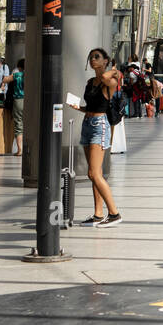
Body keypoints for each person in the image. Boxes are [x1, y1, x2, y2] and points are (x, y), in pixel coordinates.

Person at [71, 48, 122, 227]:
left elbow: (107, 78)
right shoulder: (90, 82)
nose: (92, 60)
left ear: (106, 61)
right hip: (87, 124)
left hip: (100, 126)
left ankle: (114, 213)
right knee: (96, 174)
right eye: (91, 57)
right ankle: (98, 214)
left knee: (93, 173)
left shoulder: (110, 80)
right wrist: (79, 108)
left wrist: (113, 70)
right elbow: (90, 105)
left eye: (97, 57)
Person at [7, 58, 25, 156]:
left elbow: (5, 80)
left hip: (18, 100)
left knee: (18, 125)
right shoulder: (31, 75)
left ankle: (20, 150)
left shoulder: (17, 75)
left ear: (19, 66)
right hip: (29, 101)